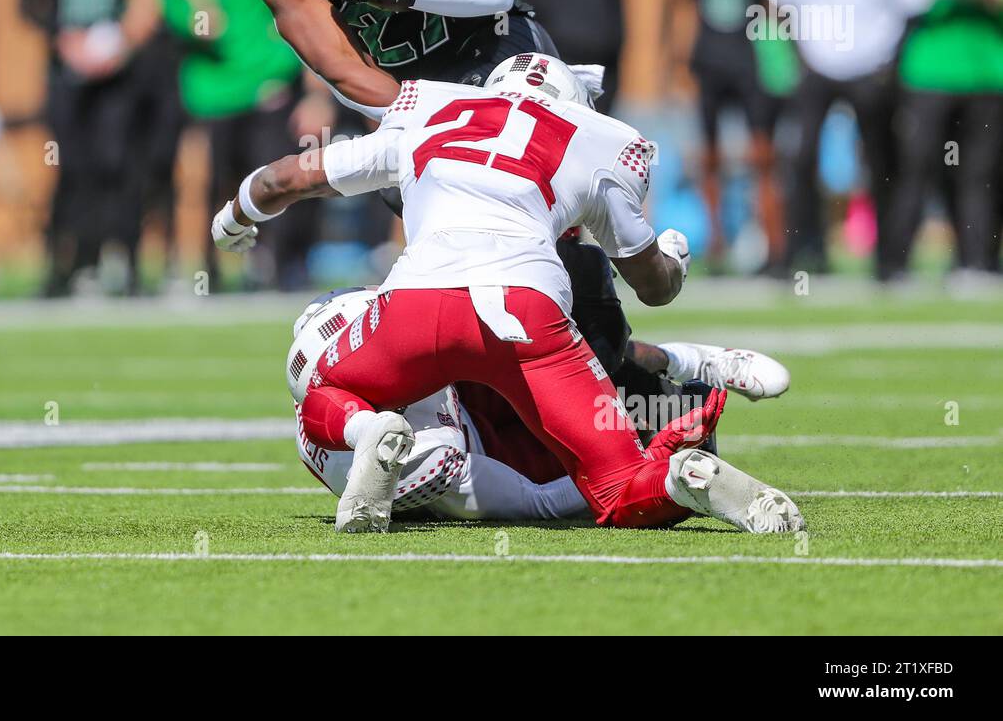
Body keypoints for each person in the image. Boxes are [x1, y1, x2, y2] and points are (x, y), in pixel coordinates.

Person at [228, 0, 701, 427]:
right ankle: (647, 391)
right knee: (462, 273)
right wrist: (427, 119)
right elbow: (334, 59)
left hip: (506, 67)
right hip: (405, 102)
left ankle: (639, 374)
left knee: (547, 247)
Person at [214, 53, 804, 535]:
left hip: (417, 305)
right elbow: (654, 285)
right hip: (525, 312)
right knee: (619, 491)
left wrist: (235, 218)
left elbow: (284, 178)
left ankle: (369, 432)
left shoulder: (432, 107)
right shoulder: (601, 138)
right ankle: (681, 479)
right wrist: (674, 255)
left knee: (324, 388)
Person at [286, 288, 790, 523]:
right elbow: (540, 501)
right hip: (496, 455)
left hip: (467, 410)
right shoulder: (423, 456)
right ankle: (671, 444)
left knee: (517, 327)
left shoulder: (336, 408)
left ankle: (683, 365)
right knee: (553, 345)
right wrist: (648, 458)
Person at [765, 0, 934, 278]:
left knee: (880, 162)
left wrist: (892, 63)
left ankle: (889, 258)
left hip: (872, 67)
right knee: (800, 157)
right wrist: (798, 54)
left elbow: (915, 3)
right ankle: (805, 251)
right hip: (818, 63)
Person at [17, 0, 159, 296]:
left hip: (118, 68)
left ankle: (123, 263)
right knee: (70, 167)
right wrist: (66, 40)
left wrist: (121, 41)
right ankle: (64, 264)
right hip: (66, 69)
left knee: (118, 164)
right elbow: (28, 0)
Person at [160, 0, 315, 290]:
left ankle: (273, 268)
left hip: (266, 84)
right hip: (213, 87)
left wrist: (283, 70)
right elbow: (177, 3)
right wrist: (199, 23)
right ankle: (206, 271)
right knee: (213, 182)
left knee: (274, 180)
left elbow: (292, 9)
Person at [662, 0, 784, 272]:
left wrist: (783, 53)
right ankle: (716, 246)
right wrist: (673, 61)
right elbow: (674, 1)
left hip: (748, 54)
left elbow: (773, 0)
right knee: (710, 155)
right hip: (708, 56)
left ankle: (774, 242)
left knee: (762, 154)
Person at [888, 0, 1003, 281]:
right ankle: (896, 264)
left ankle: (975, 261)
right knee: (915, 168)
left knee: (980, 174)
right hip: (931, 71)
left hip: (987, 72)